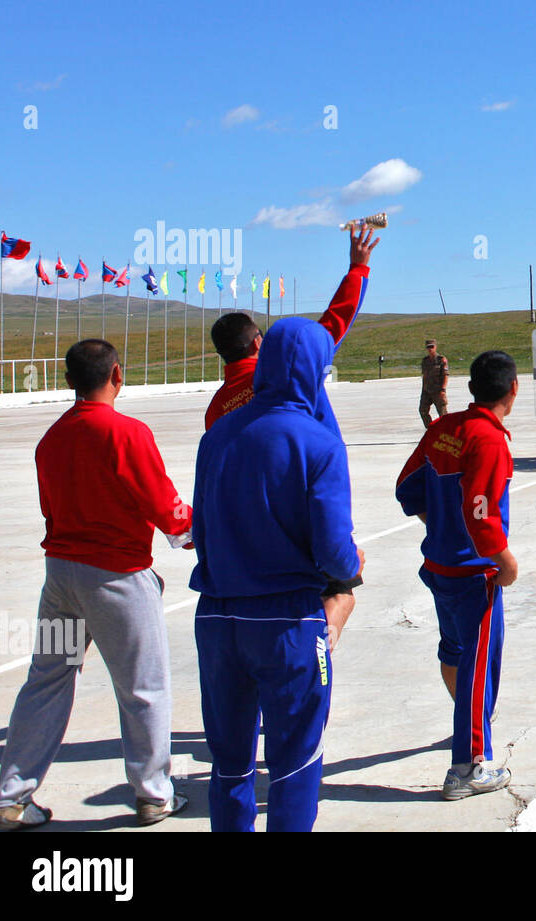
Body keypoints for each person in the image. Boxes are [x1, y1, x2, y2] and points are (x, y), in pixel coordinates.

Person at [0, 340, 191, 831]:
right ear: (116, 374)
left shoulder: (51, 439)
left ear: (68, 380)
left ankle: (12, 799)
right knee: (144, 687)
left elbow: (49, 508)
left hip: (60, 577)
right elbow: (163, 506)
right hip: (117, 578)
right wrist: (192, 532)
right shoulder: (127, 433)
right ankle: (153, 795)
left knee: (47, 681)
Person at [191, 319, 364, 832]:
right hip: (287, 621)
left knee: (229, 764)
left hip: (218, 616)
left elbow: (200, 527)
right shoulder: (318, 442)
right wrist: (351, 567)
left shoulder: (218, 433)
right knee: (295, 763)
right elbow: (334, 551)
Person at [395, 351, 519, 800]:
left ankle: (470, 722)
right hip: (474, 573)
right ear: (513, 390)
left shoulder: (442, 430)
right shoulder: (489, 440)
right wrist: (503, 560)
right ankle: (467, 767)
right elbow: (481, 512)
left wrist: (439, 525)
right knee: (478, 662)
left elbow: (405, 488)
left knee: (454, 651)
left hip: (441, 565)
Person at [205, 225, 376, 430]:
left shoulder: (215, 411)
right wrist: (358, 269)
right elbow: (332, 325)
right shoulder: (285, 375)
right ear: (257, 343)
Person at [420, 338, 450, 428]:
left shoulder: (441, 360)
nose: (430, 349)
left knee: (443, 414)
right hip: (427, 391)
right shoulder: (425, 361)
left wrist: (443, 390)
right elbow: (424, 376)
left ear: (435, 347)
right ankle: (431, 429)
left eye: (432, 347)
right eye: (428, 347)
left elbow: (445, 375)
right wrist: (423, 390)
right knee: (422, 410)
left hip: (438, 391)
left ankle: (447, 431)